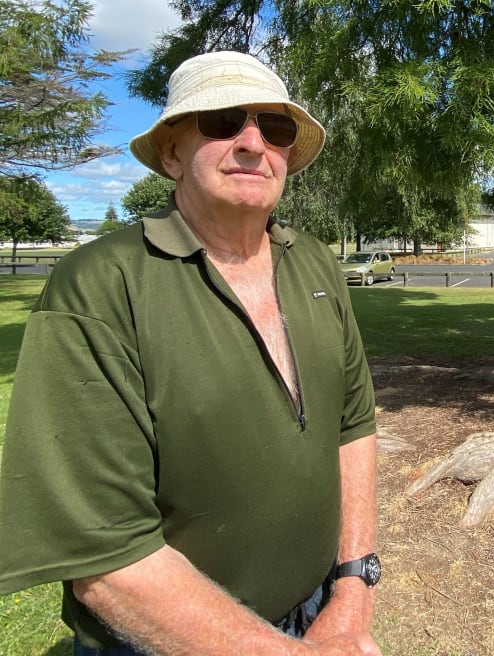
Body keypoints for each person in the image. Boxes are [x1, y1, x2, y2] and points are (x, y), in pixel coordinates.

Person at [0, 51, 382, 655]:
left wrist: (354, 589)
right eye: (224, 120)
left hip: (322, 611)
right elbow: (105, 555)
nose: (253, 143)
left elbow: (352, 426)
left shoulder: (315, 262)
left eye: (274, 127)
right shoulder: (100, 285)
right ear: (173, 153)